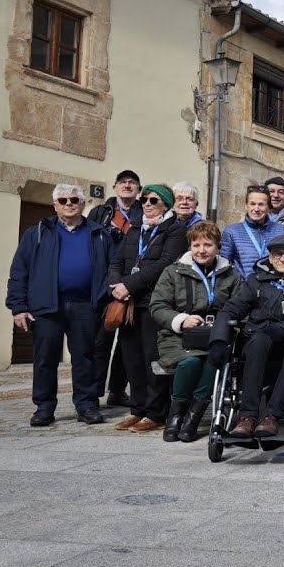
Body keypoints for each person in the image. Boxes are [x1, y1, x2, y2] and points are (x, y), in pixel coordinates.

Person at [6, 184, 114, 427]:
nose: (68, 204)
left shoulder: (98, 234)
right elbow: (19, 271)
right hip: (46, 306)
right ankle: (44, 407)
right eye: (62, 200)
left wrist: (105, 300)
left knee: (85, 357)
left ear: (83, 204)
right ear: (54, 205)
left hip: (86, 305)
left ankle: (86, 405)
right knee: (45, 358)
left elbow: (112, 270)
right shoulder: (37, 233)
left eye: (74, 199)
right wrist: (19, 306)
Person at [207, 234, 284, 438]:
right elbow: (230, 310)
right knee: (258, 340)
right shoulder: (256, 280)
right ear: (270, 257)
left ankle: (272, 416)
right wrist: (218, 339)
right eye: (278, 254)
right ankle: (247, 416)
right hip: (260, 338)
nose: (283, 258)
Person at [148, 221, 241, 442]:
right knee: (190, 362)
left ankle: (193, 419)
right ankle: (175, 417)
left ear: (217, 246)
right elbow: (157, 306)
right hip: (178, 337)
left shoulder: (231, 275)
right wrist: (181, 320)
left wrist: (221, 324)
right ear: (190, 246)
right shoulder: (173, 272)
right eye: (196, 244)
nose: (202, 250)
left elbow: (239, 308)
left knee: (212, 363)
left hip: (215, 337)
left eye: (208, 244)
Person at [108, 185, 189, 432]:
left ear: (165, 203)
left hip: (154, 303)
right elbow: (118, 260)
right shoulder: (135, 227)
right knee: (131, 359)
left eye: (153, 199)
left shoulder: (176, 230)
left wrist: (129, 284)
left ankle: (156, 412)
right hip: (129, 302)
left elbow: (165, 264)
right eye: (144, 199)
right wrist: (116, 284)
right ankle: (138, 408)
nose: (147, 203)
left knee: (154, 360)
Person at [87, 169, 141, 406]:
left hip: (134, 285)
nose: (127, 186)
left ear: (138, 188)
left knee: (126, 345)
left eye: (132, 183)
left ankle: (117, 391)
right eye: (123, 182)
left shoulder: (144, 211)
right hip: (105, 284)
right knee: (101, 341)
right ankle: (94, 393)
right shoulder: (100, 212)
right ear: (115, 187)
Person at [220, 186, 284, 279]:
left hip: (273, 287)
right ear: (246, 206)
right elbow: (224, 264)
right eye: (252, 204)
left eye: (261, 204)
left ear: (268, 207)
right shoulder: (232, 231)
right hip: (243, 288)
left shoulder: (280, 230)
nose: (256, 209)